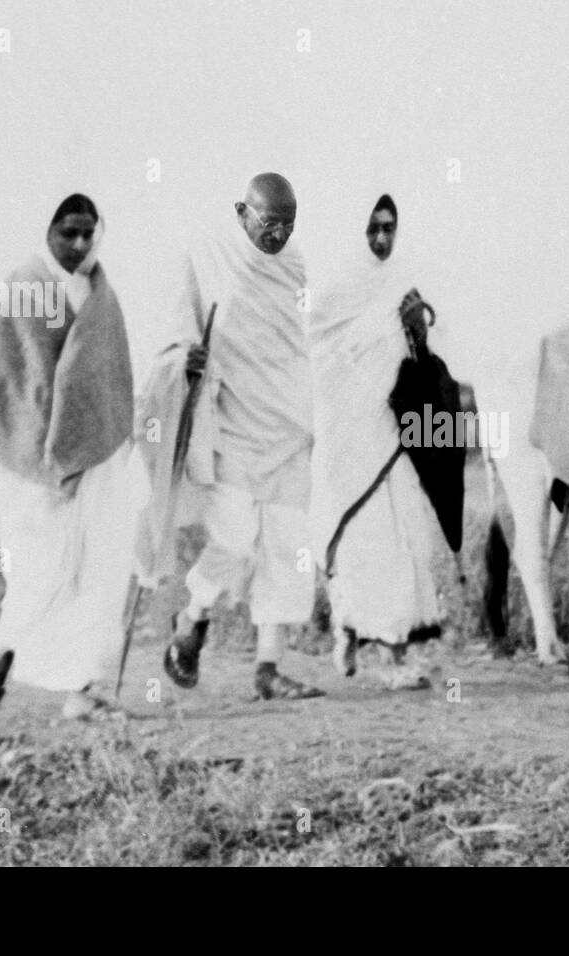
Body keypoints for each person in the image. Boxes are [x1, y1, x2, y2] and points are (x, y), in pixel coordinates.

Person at [0, 192, 148, 720]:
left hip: (98, 463)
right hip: (32, 468)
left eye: (87, 233)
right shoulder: (25, 287)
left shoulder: (102, 294)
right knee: (39, 577)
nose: (78, 244)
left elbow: (111, 383)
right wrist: (30, 451)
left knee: (101, 573)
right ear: (45, 232)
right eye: (66, 232)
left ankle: (88, 692)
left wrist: (110, 440)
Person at [140, 173, 323, 700]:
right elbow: (176, 328)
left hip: (290, 425)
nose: (279, 236)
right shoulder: (206, 256)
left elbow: (300, 343)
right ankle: (191, 618)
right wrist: (182, 354)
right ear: (242, 211)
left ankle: (269, 669)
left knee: (288, 547)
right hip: (232, 425)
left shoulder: (297, 267)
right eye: (270, 224)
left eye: (289, 225)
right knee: (235, 539)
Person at [309, 193, 459, 690]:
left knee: (405, 540)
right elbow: (319, 364)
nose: (380, 238)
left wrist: (415, 331)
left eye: (389, 227)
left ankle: (394, 652)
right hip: (349, 439)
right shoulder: (330, 293)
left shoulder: (402, 286)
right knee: (363, 541)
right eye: (371, 227)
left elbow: (419, 369)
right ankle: (353, 626)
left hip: (394, 439)